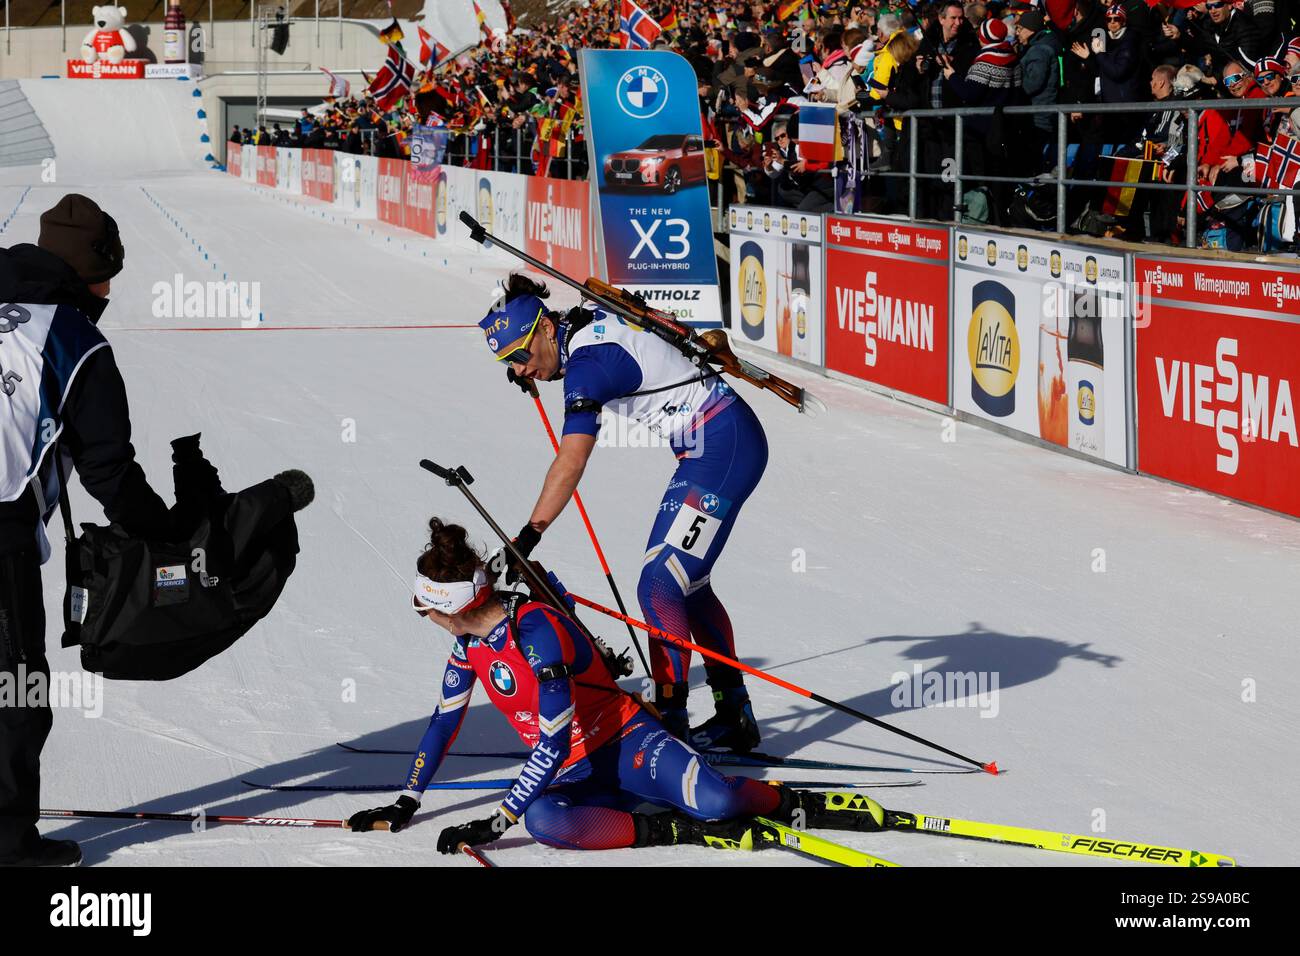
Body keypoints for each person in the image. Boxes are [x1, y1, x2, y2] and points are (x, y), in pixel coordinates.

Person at [347, 519, 884, 853]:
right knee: (545, 820)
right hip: (578, 774)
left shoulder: (536, 628)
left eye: (425, 610)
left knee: (719, 801)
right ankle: (674, 830)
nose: (426, 620)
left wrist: (495, 818)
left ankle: (791, 800)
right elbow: (443, 723)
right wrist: (407, 801)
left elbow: (553, 739)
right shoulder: (468, 648)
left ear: (454, 609)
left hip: (626, 742)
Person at [476, 274, 769, 753]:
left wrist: (528, 536)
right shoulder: (579, 327)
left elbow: (572, 458)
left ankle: (671, 721)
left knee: (659, 585)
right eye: (508, 364)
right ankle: (733, 712)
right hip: (714, 444)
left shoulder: (588, 366)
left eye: (522, 356)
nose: (520, 370)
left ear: (547, 330)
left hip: (721, 447)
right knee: (686, 586)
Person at [0, 195, 177, 866]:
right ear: (84, 274)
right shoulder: (71, 336)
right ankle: (7, 848)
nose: (108, 293)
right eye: (107, 277)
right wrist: (162, 534)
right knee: (15, 696)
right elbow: (108, 468)